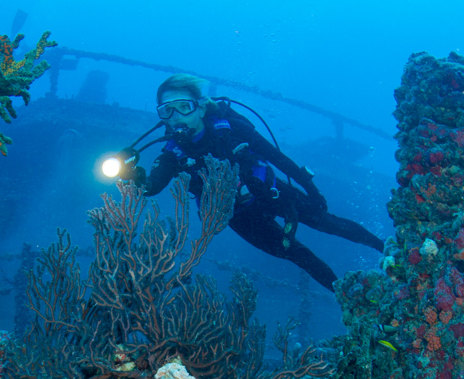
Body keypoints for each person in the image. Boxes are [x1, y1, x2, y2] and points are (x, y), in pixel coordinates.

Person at [128, 74, 384, 290]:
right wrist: (134, 177)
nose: (175, 116)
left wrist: (313, 192)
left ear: (201, 107)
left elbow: (280, 159)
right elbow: (151, 187)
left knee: (329, 224)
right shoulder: (172, 155)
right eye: (166, 110)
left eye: (183, 107)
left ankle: (386, 250)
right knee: (298, 255)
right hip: (238, 216)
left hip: (270, 192)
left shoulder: (233, 128)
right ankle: (347, 298)